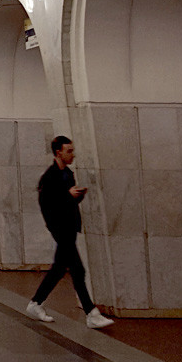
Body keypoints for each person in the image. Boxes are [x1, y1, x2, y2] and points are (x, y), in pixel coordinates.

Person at [26, 136, 113, 330]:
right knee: (78, 270)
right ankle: (91, 313)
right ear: (59, 152)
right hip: (60, 229)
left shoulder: (68, 174)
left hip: (69, 227)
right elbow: (47, 205)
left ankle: (36, 303)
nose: (72, 154)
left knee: (59, 269)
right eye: (69, 151)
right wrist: (68, 196)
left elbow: (67, 202)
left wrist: (76, 197)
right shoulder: (49, 177)